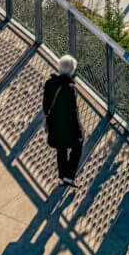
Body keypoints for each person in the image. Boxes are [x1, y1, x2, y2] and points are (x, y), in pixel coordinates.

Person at [42, 55, 84, 187]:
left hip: (55, 123)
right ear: (72, 70)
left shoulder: (49, 83)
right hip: (69, 126)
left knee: (61, 149)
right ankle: (69, 176)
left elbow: (45, 105)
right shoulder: (70, 88)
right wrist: (79, 129)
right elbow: (73, 111)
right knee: (78, 144)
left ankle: (62, 177)